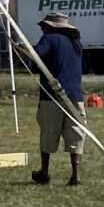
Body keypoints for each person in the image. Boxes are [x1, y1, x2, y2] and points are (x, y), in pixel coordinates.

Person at [28, 11, 87, 187]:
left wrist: (24, 52)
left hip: (52, 95)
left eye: (44, 26)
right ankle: (75, 176)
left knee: (48, 133)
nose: (42, 29)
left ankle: (44, 173)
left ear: (51, 27)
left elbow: (36, 57)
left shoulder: (50, 39)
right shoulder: (76, 43)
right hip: (75, 96)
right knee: (76, 134)